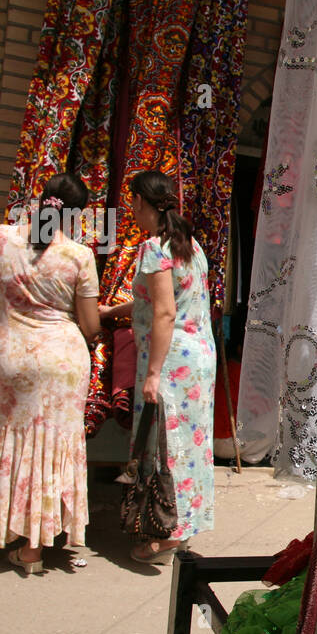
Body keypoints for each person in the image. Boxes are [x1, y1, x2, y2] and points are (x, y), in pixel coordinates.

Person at [0, 173, 101, 574]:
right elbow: (89, 326)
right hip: (63, 362)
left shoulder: (0, 239)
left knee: (2, 440)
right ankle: (32, 550)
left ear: (40, 199)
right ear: (75, 216)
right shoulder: (79, 256)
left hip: (15, 356)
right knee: (51, 448)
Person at [101, 170, 216, 565]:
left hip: (171, 361)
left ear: (139, 202)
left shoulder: (155, 248)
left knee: (168, 446)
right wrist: (113, 311)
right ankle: (182, 527)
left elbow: (165, 312)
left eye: (133, 202)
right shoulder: (191, 246)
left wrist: (152, 372)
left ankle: (168, 535)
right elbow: (159, 302)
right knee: (191, 445)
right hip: (198, 358)